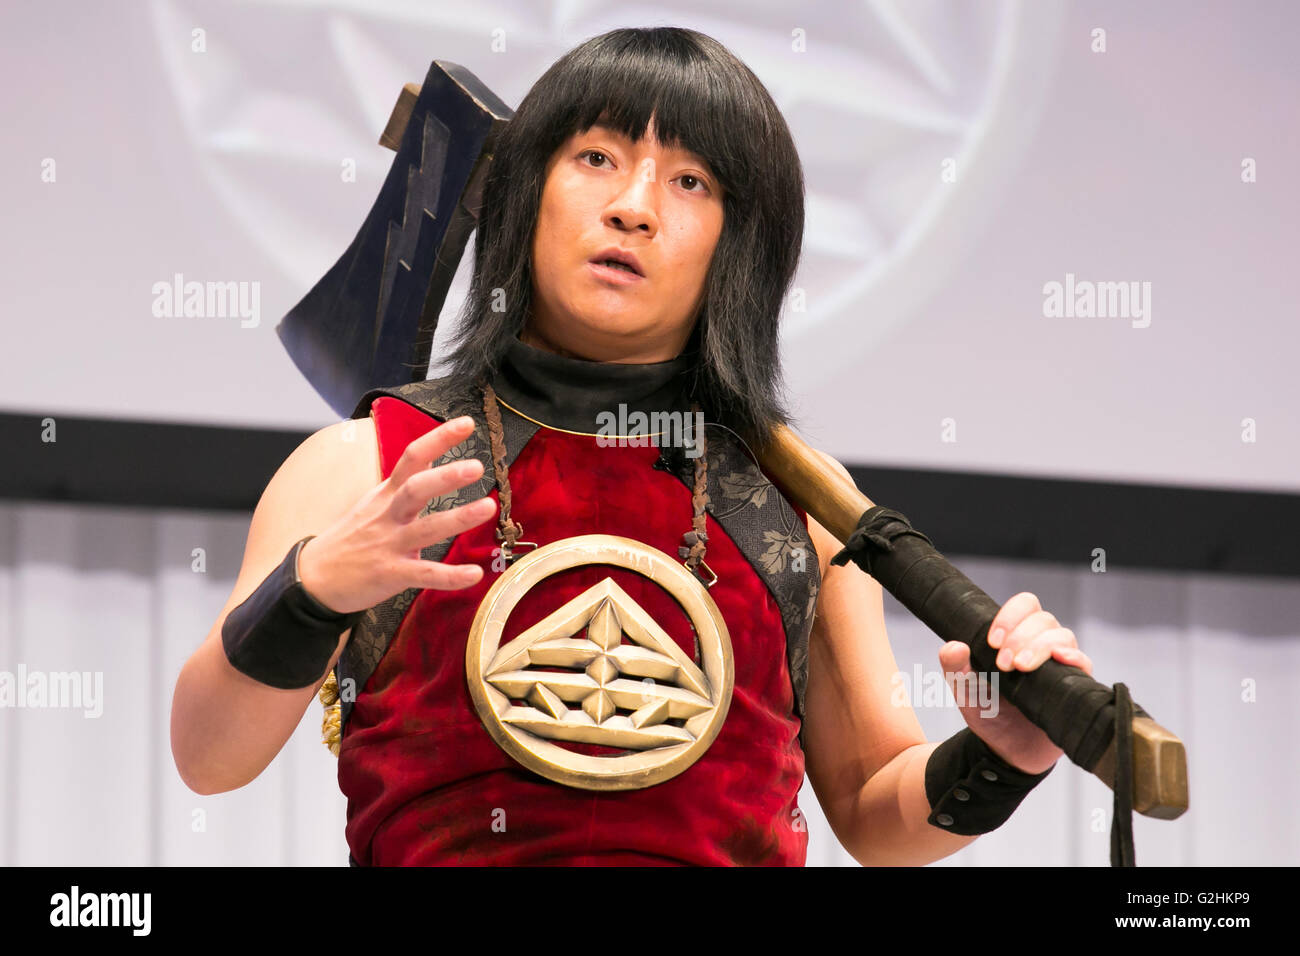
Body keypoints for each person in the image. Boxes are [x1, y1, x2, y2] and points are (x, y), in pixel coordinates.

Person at [170, 26, 1094, 866]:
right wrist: (315, 586)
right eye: (597, 157)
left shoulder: (795, 509)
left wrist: (1001, 752)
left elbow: (870, 809)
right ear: (525, 193)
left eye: (690, 181)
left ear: (740, 245)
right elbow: (207, 759)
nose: (634, 207)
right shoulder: (369, 467)